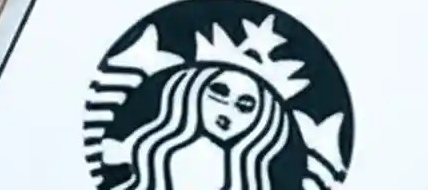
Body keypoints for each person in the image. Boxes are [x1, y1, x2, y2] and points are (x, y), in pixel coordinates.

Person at [102, 65, 293, 190]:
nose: (227, 110)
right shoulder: (148, 150)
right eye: (218, 93)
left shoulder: (246, 173)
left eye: (244, 105)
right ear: (194, 92)